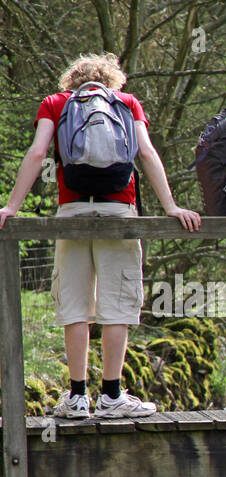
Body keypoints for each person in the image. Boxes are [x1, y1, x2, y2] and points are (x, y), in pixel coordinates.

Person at [0, 53, 201, 418]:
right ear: (112, 80)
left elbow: (38, 153)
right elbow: (146, 152)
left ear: (71, 79)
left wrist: (12, 206)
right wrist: (171, 206)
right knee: (117, 304)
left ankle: (77, 397)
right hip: (118, 214)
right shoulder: (126, 103)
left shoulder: (56, 104)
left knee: (74, 303)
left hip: (72, 213)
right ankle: (112, 396)